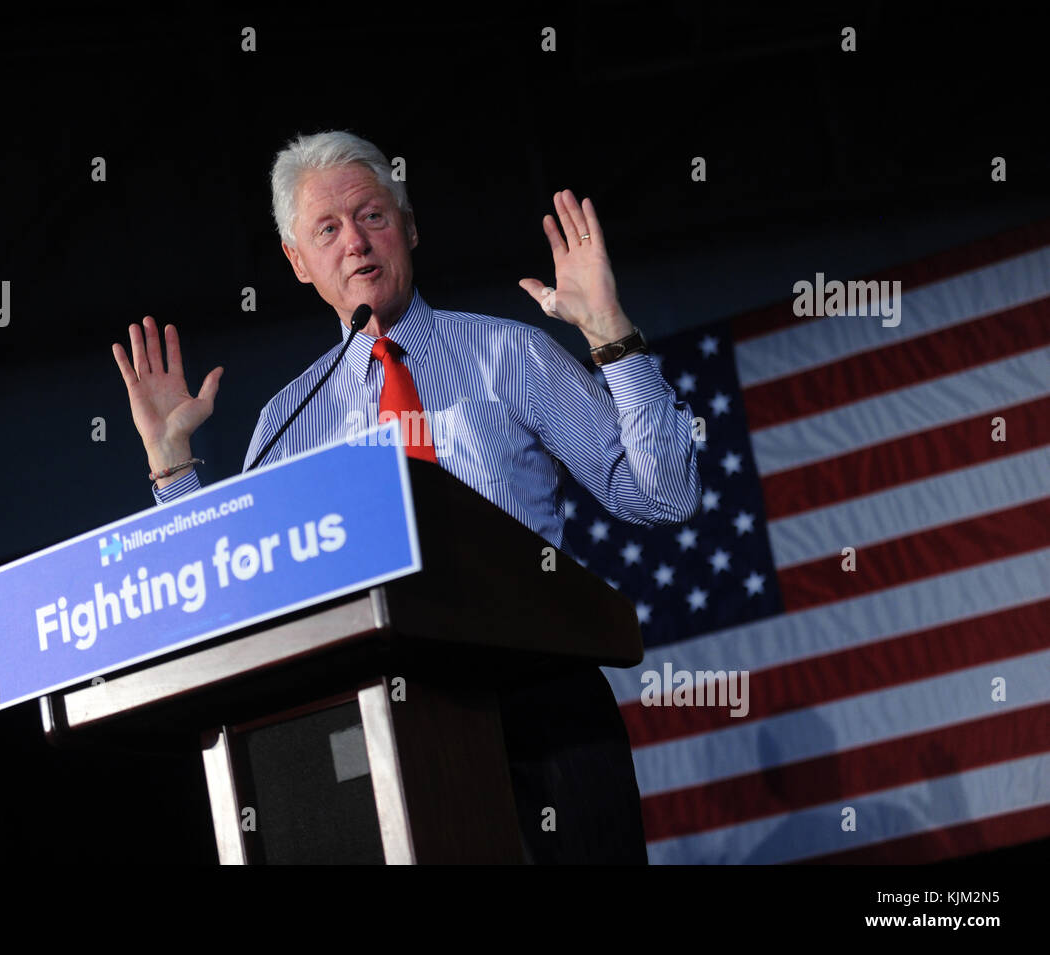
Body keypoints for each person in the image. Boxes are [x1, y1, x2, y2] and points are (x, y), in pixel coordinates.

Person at [112, 130, 701, 863]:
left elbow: (666, 495)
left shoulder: (505, 354)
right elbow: (233, 600)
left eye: (373, 216)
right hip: (378, 733)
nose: (355, 243)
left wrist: (610, 331)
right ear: (298, 263)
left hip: (540, 706)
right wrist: (174, 472)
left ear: (410, 227)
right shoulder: (287, 423)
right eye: (327, 229)